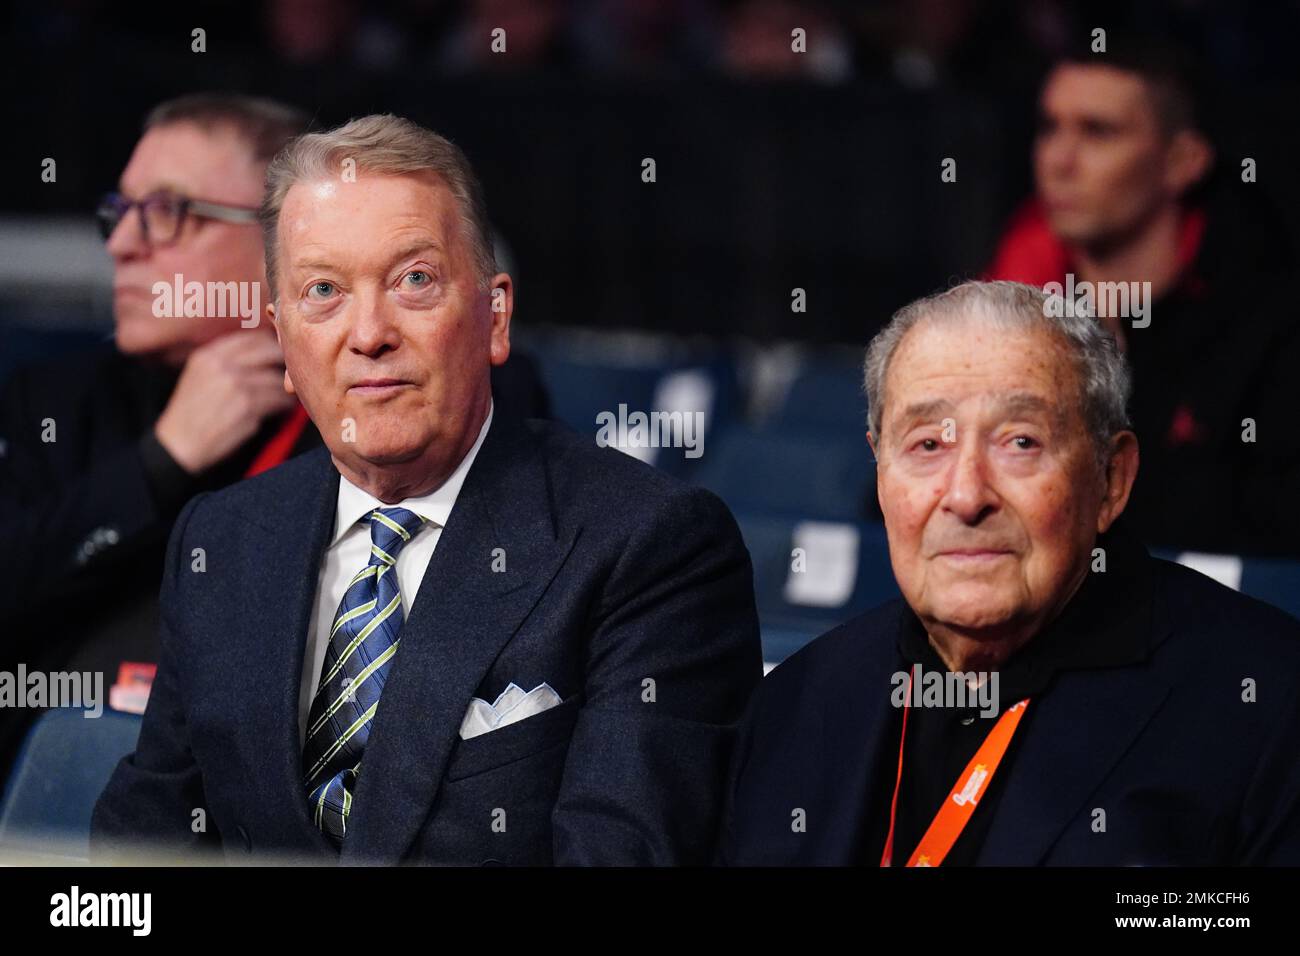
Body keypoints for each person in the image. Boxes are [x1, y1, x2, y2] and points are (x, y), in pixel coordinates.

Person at [91, 114, 762, 865]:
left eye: (415, 280)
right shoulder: (221, 539)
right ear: (282, 341)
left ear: (495, 318)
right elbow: (137, 848)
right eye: (323, 290)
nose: (368, 332)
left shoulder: (650, 545)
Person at [718, 281, 1300, 866]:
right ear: (879, 472)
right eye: (926, 445)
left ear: (1111, 480)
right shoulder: (793, 704)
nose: (966, 495)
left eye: (1021, 442)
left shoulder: (1268, 704)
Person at [0, 94, 312, 777]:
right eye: (121, 210)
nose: (120, 243)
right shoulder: (54, 401)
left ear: (283, 240)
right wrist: (162, 461)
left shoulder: (365, 416)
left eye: (169, 212)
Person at [986, 41, 1300, 557]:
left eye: (1098, 131)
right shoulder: (1003, 305)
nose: (1058, 160)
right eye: (1048, 128)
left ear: (1182, 161)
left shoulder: (1271, 331)